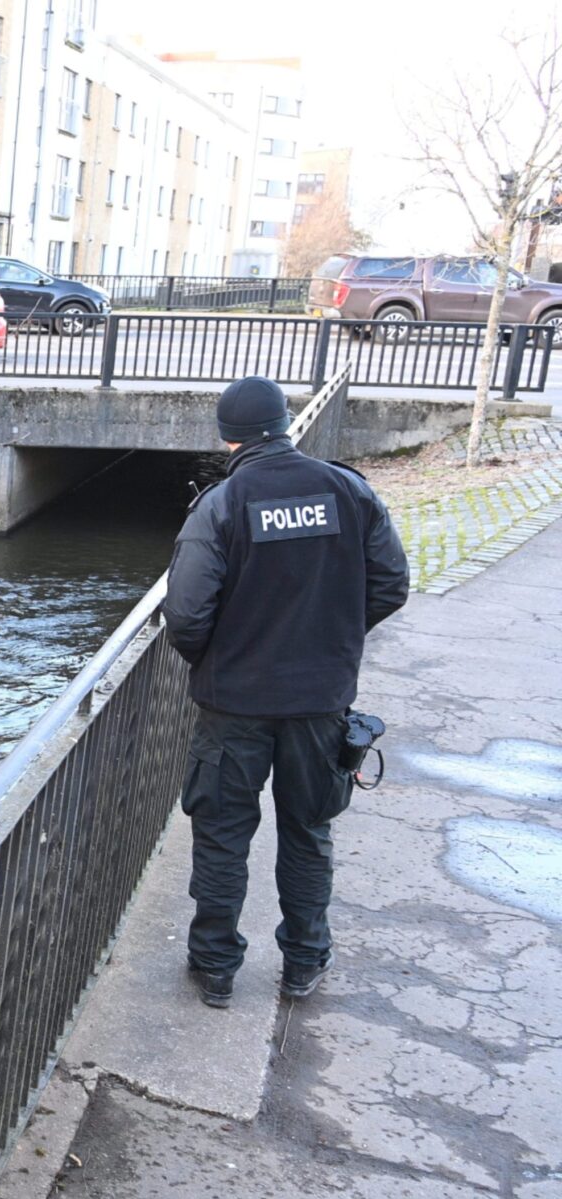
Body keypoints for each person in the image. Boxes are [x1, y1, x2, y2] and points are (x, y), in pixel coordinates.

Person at [163, 375, 409, 1009]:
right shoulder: (349, 491)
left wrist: (221, 660)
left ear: (228, 437)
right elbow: (391, 584)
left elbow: (186, 615)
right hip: (320, 704)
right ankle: (304, 962)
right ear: (286, 424)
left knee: (222, 835)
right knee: (308, 831)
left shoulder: (222, 505)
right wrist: (331, 642)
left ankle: (215, 967)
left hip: (234, 705)